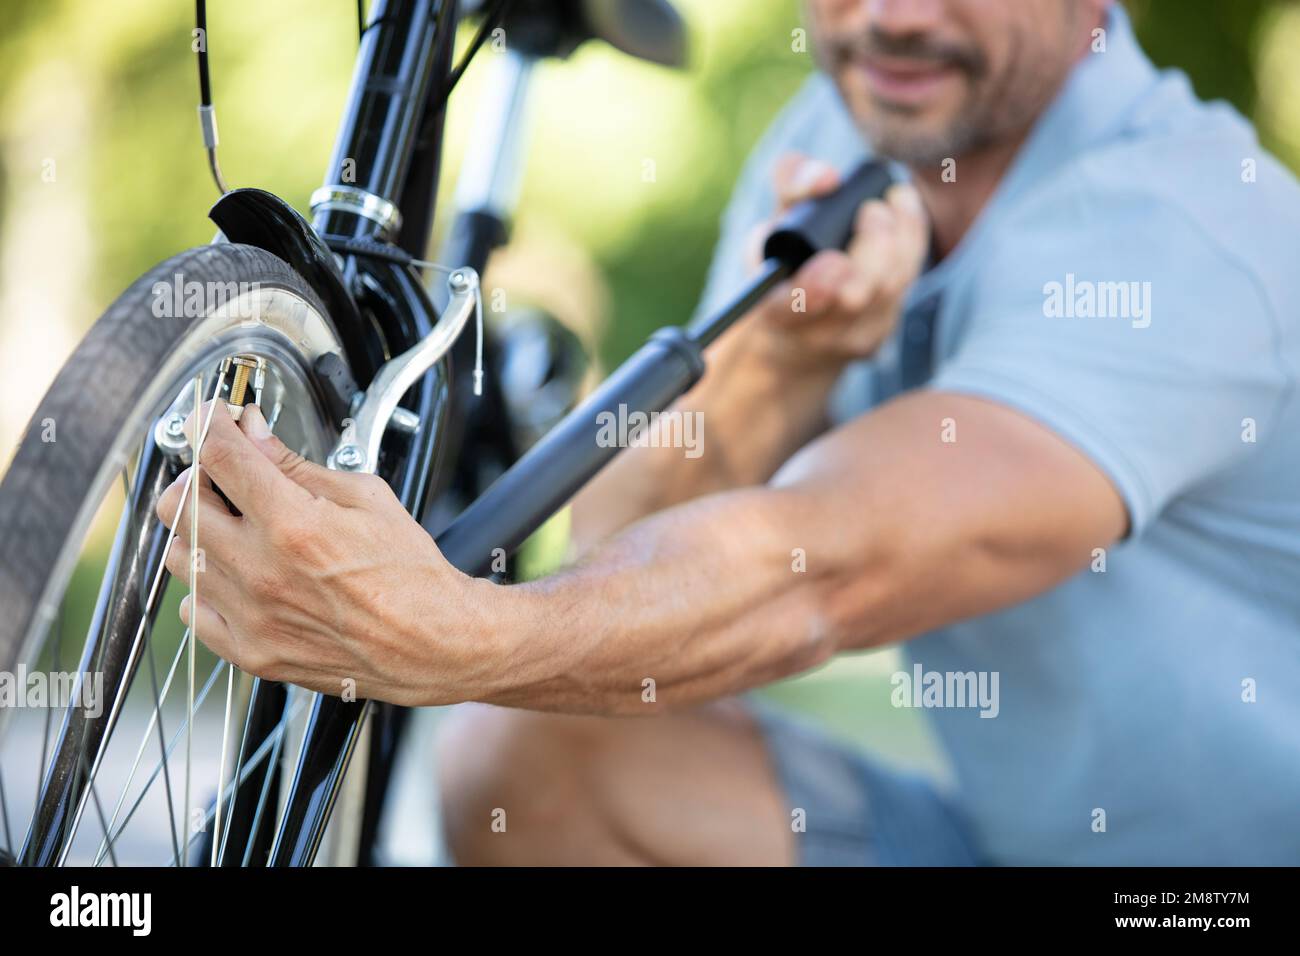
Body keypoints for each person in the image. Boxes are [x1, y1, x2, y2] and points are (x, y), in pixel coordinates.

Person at [158, 0, 1300, 865]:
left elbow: (827, 571)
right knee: (531, 754)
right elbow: (623, 537)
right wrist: (788, 357)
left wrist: (456, 631)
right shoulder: (845, 134)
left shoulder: (1181, 230)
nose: (893, 18)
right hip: (1001, 841)